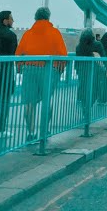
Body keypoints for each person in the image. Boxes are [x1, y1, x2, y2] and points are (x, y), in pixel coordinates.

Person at [16, 7, 68, 142]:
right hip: (49, 70)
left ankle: (31, 132)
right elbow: (63, 54)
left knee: (29, 103)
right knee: (47, 100)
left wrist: (19, 69)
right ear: (48, 17)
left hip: (29, 68)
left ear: (35, 17)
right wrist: (60, 70)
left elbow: (19, 53)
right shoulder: (55, 33)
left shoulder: (28, 34)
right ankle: (44, 130)